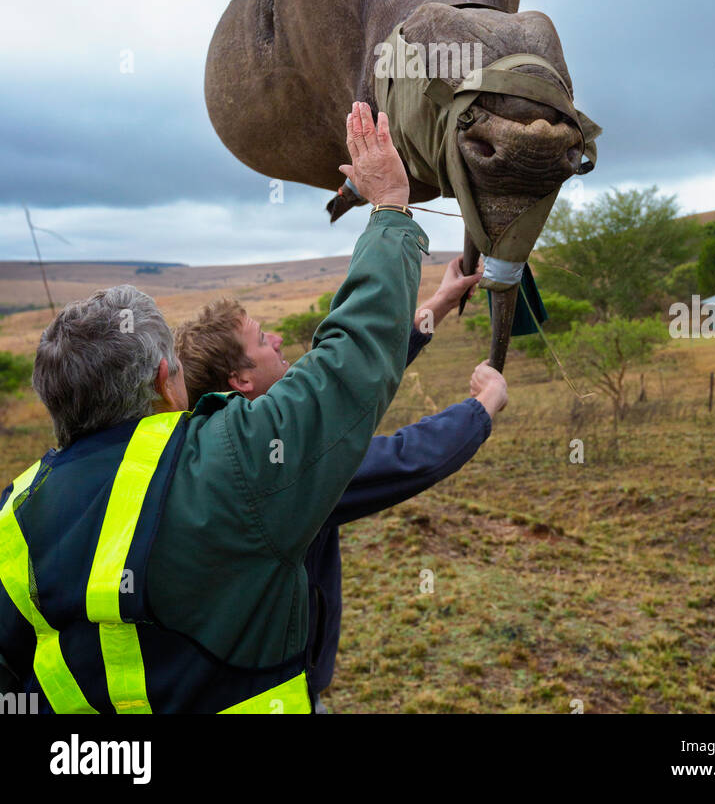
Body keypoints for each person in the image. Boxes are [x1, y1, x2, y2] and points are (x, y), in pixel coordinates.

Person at [0, 103, 461, 714]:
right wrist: (391, 211)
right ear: (167, 382)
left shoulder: (14, 516)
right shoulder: (231, 460)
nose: (276, 343)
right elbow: (347, 371)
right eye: (263, 337)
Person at [174, 261, 507, 710]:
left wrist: (439, 304)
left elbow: (353, 377)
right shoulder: (276, 470)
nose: (276, 339)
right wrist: (482, 407)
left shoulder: (215, 441)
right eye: (260, 339)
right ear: (241, 380)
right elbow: (403, 461)